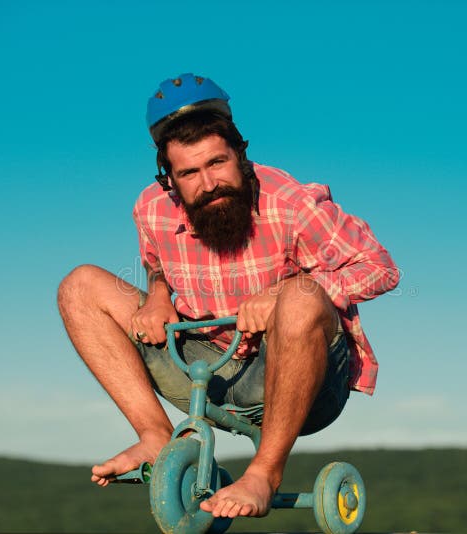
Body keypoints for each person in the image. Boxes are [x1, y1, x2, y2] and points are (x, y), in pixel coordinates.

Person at [57, 73, 399, 519]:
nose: (208, 183)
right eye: (189, 173)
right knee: (80, 286)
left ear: (240, 153)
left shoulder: (291, 203)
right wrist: (158, 293)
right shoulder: (151, 209)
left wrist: (283, 293)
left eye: (217, 163)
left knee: (300, 298)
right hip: (207, 368)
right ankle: (155, 436)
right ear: (169, 178)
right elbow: (155, 261)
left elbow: (381, 268)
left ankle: (265, 473)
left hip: (299, 378)